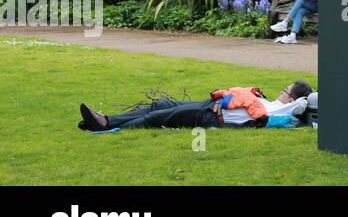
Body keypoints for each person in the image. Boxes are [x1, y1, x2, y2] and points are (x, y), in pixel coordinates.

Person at [78, 80, 312, 131]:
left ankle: (104, 124)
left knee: (156, 118)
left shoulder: (285, 110)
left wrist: (303, 100)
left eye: (285, 90)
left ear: (291, 99)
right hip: (209, 105)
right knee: (159, 104)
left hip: (210, 117)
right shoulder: (270, 103)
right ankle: (106, 118)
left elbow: (304, 103)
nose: (282, 91)